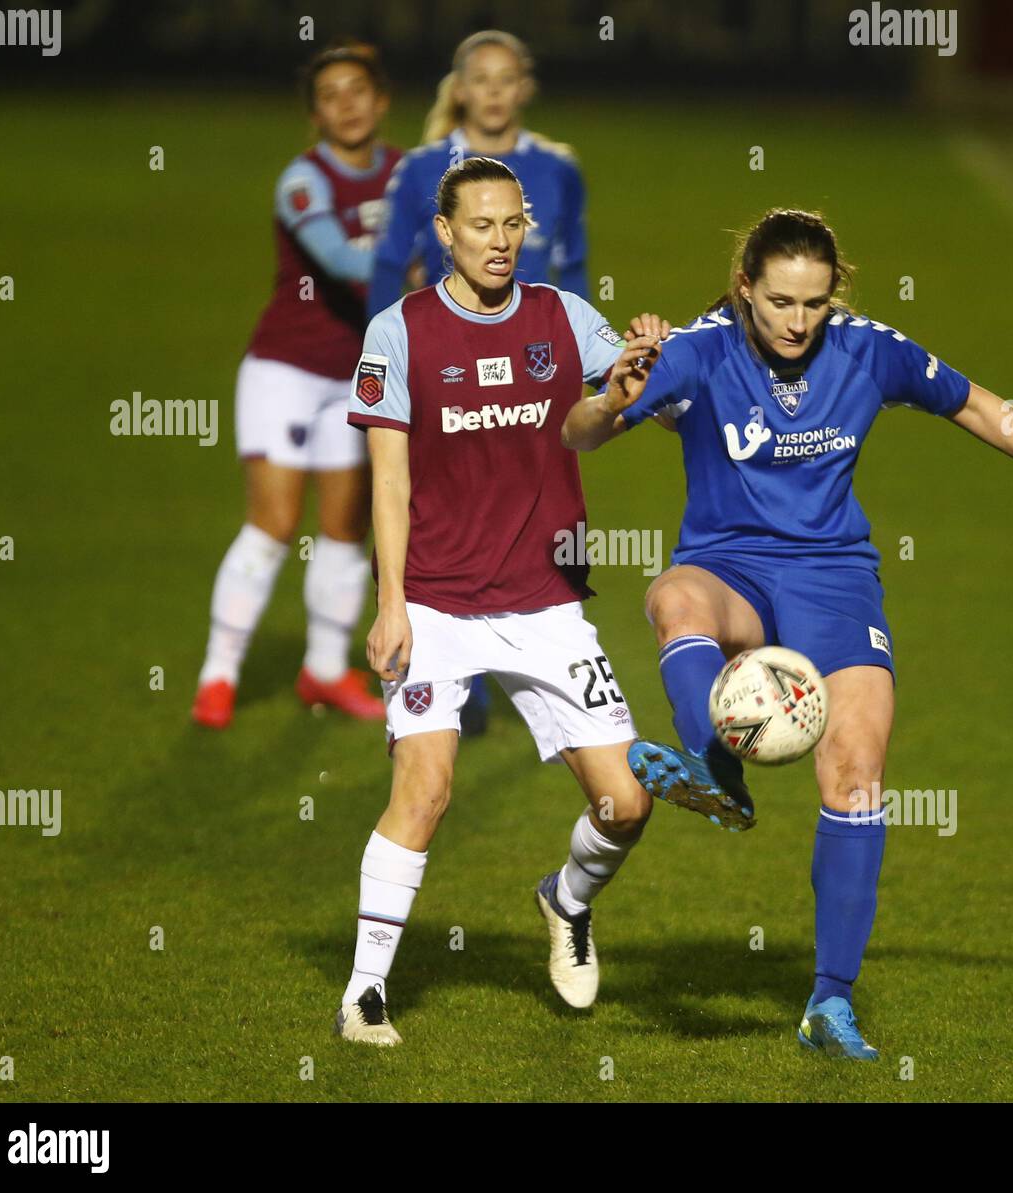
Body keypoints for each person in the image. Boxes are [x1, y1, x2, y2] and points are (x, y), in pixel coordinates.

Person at [561, 207, 1013, 1060]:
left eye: (814, 303)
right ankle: (716, 767)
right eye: (779, 300)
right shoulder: (697, 351)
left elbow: (975, 404)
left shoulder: (867, 347)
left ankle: (829, 1002)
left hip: (834, 580)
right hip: (730, 568)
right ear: (745, 288)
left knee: (855, 772)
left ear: (834, 294)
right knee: (673, 597)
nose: (797, 321)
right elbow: (580, 436)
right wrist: (613, 397)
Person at [333, 157, 702, 1047]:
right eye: (480, 226)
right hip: (436, 604)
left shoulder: (563, 318)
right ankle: (365, 993)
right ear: (445, 232)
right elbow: (388, 483)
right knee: (425, 792)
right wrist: (391, 605)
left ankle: (564, 902)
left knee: (626, 804)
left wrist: (653, 358)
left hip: (545, 604)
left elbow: (636, 404)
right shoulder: (400, 330)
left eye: (512, 225)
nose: (498, 242)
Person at [367, 29, 591, 735]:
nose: (494, 92)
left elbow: (575, 264)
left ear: (524, 87)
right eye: (480, 79)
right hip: (447, 377)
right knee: (438, 508)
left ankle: (547, 634)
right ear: (460, 88)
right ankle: (460, 671)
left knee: (543, 500)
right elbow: (386, 269)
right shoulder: (424, 167)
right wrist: (385, 372)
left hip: (536, 374)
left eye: (507, 79)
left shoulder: (559, 168)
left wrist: (585, 366)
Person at [191, 43, 400, 729]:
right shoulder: (303, 182)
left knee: (342, 530)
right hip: (284, 370)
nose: (347, 103)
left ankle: (324, 668)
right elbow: (346, 263)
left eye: (358, 90)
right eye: (332, 94)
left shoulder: (407, 174)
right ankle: (218, 674)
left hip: (355, 379)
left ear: (382, 100)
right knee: (273, 525)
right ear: (315, 113)